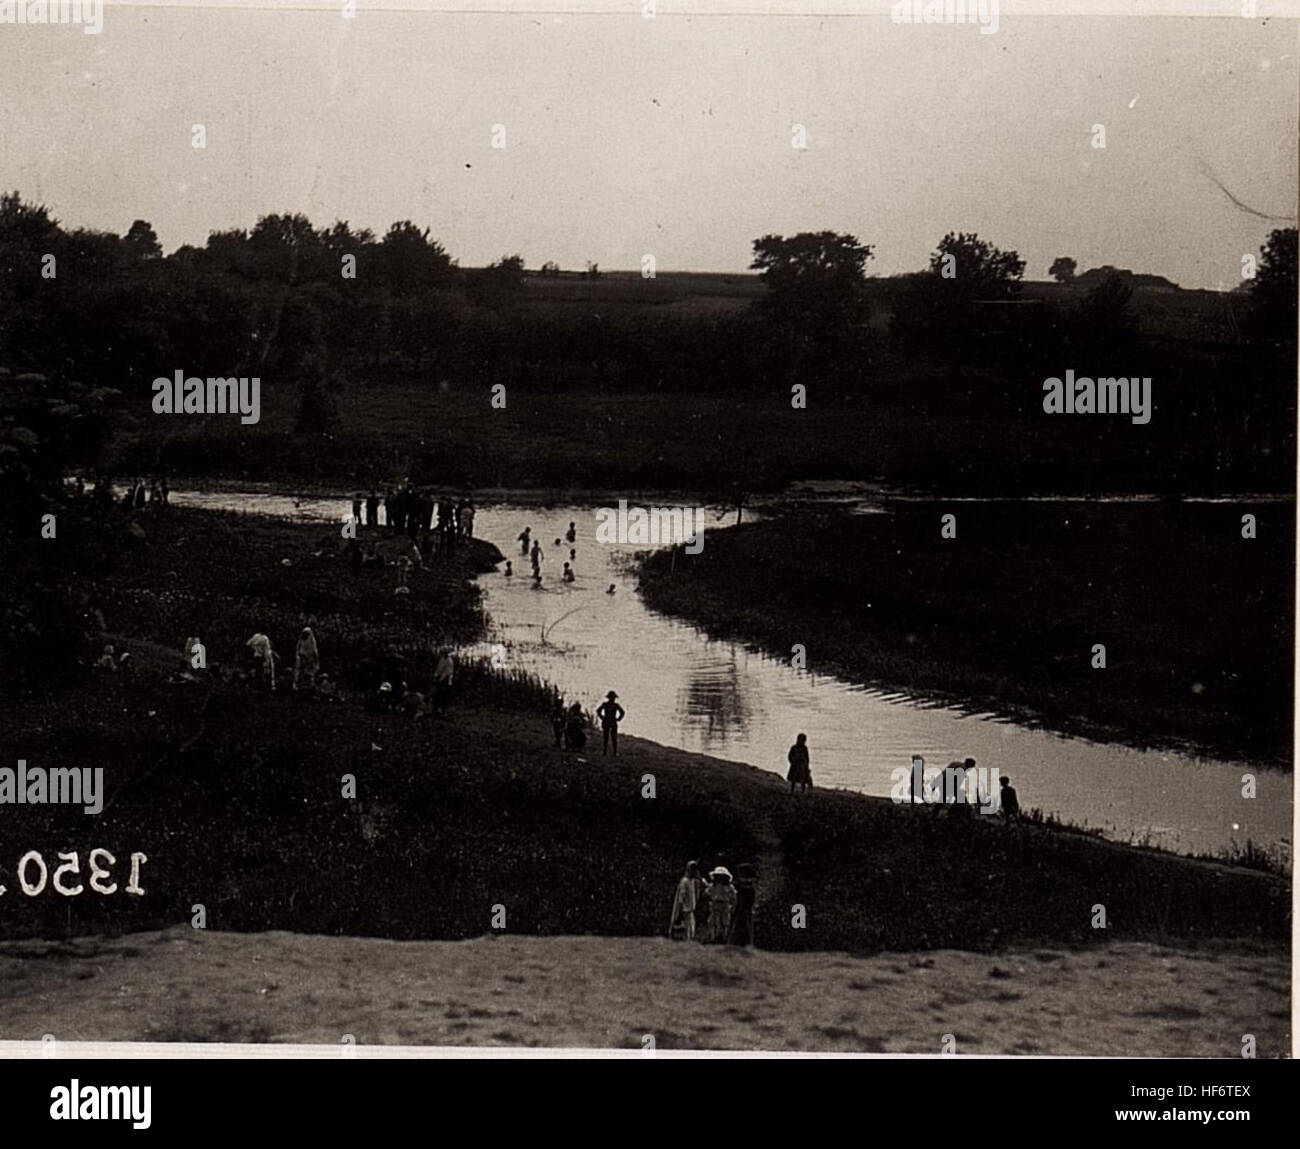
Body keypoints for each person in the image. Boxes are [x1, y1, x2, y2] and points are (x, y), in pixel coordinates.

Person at [670, 861, 704, 941]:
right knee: (688, 925)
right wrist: (680, 909)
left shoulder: (693, 881)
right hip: (685, 908)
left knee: (690, 925)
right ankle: (687, 939)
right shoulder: (685, 881)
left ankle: (689, 939)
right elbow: (681, 896)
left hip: (690, 907)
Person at [706, 868, 737, 943]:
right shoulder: (713, 886)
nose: (720, 878)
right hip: (715, 904)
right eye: (718, 876)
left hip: (725, 905)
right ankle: (714, 937)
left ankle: (724, 938)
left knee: (725, 922)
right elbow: (707, 893)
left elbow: (734, 896)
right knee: (713, 921)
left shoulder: (729, 887)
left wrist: (733, 906)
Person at [729, 862, 756, 946]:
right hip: (742, 909)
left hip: (743, 909)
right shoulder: (746, 886)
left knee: (740, 926)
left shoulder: (743, 886)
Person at [595, 691, 625, 756]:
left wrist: (602, 717)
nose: (613, 699)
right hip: (610, 721)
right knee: (607, 737)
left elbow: (622, 712)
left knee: (612, 737)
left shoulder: (609, 705)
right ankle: (607, 751)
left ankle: (612, 752)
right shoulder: (612, 705)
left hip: (609, 721)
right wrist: (618, 719)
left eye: (613, 698)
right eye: (612, 698)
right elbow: (622, 712)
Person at [293, 626, 320, 691]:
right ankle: (297, 685)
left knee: (309, 672)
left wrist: (316, 661)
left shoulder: (311, 640)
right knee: (300, 671)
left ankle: (310, 685)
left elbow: (314, 651)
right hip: (302, 657)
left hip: (309, 658)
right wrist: (298, 657)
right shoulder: (301, 639)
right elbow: (298, 649)